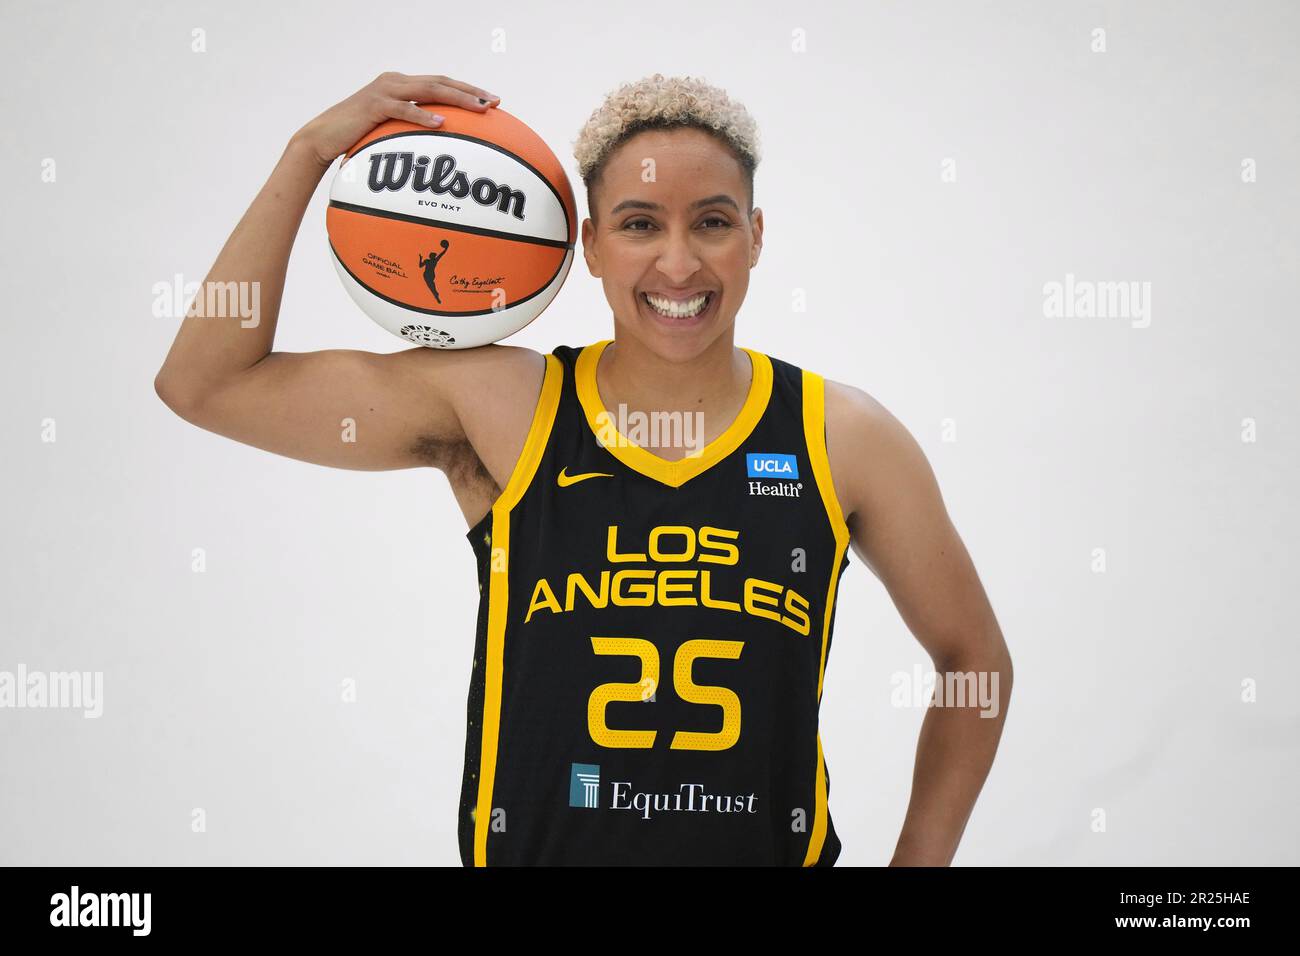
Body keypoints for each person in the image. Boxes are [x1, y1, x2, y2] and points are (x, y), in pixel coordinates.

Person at [154, 71, 1013, 867]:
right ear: (591, 245)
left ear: (755, 236)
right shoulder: (504, 406)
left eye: (712, 222)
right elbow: (205, 383)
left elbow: (974, 660)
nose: (679, 264)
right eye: (641, 224)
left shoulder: (840, 436)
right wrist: (307, 152)